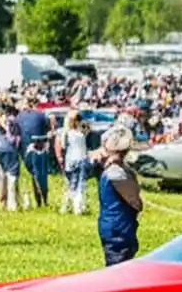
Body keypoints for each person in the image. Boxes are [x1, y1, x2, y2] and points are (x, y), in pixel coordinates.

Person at [94, 126, 143, 266]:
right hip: (118, 229)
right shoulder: (116, 173)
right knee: (119, 267)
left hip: (117, 226)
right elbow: (135, 201)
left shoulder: (116, 169)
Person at [59, 110, 90, 215]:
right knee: (80, 185)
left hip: (69, 160)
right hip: (80, 159)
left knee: (69, 184)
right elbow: (87, 130)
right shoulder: (80, 134)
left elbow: (63, 146)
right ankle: (78, 208)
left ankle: (65, 206)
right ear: (77, 122)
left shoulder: (66, 133)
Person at [0, 107, 22, 211]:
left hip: (3, 152)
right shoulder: (10, 123)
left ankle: (7, 204)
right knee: (7, 179)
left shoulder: (8, 124)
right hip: (5, 152)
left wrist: (4, 126)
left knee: (6, 179)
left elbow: (14, 139)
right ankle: (8, 204)